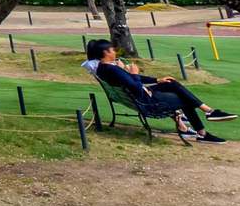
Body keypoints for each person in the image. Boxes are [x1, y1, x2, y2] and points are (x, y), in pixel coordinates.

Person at [86, 39, 235, 142]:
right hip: (146, 101)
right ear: (106, 52)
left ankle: (208, 112)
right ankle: (203, 129)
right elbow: (135, 87)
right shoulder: (112, 69)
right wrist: (134, 73)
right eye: (112, 49)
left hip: (139, 97)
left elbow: (129, 83)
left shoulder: (104, 68)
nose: (115, 51)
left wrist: (157, 80)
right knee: (185, 100)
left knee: (171, 83)